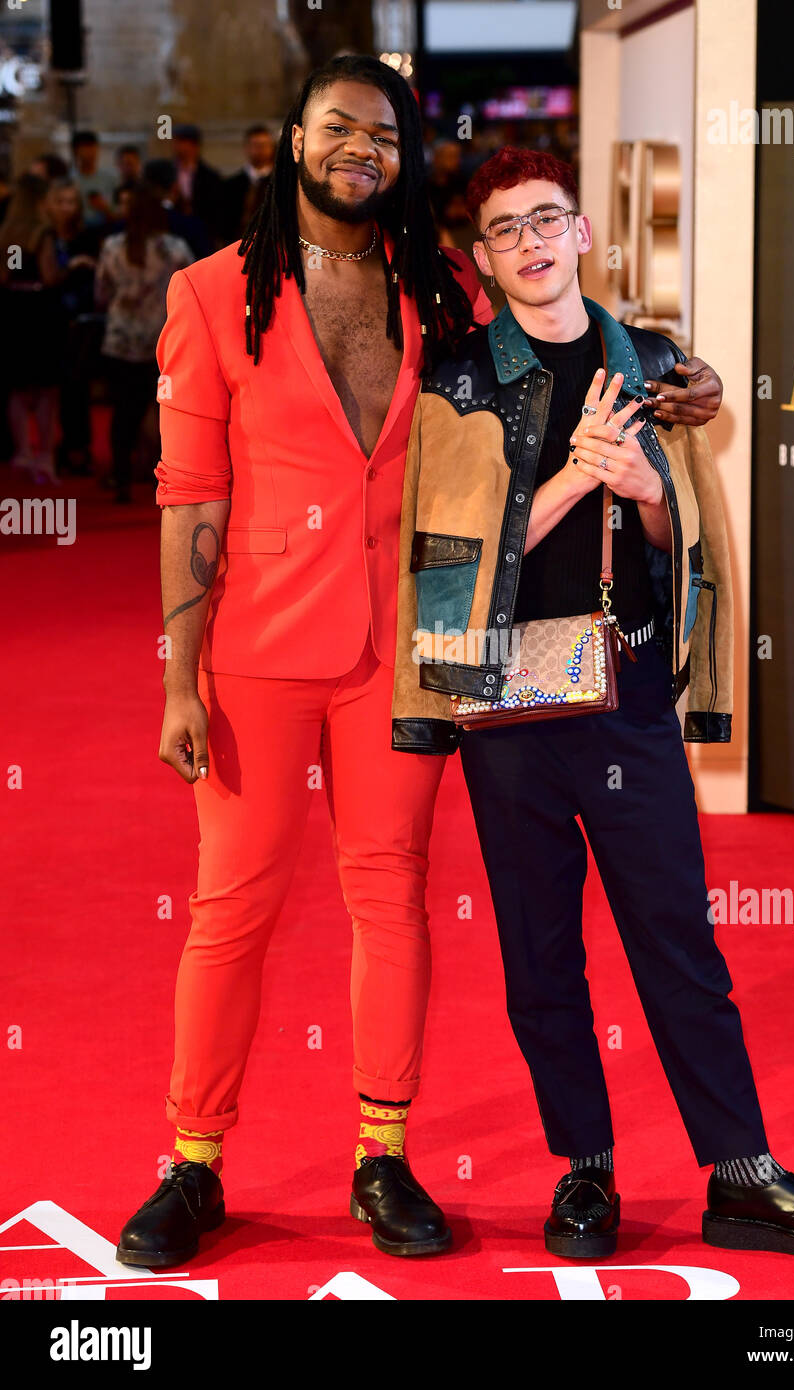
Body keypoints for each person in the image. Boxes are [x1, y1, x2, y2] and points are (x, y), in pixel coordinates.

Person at [390, 147, 794, 1261]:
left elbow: (689, 541)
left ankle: (740, 1170)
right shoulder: (458, 377)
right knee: (537, 955)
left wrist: (647, 490)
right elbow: (440, 571)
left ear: (580, 234)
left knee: (676, 938)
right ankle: (585, 1171)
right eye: (503, 230)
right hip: (509, 712)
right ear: (481, 257)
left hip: (624, 708)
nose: (527, 243)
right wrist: (571, 477)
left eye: (544, 220)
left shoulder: (651, 362)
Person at [113, 55, 492, 1271]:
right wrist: (180, 674)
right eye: (337, 128)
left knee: (392, 894)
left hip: (405, 646)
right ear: (291, 141)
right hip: (258, 649)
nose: (359, 151)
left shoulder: (442, 292)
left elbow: (533, 397)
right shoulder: (212, 294)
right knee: (233, 907)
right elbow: (189, 498)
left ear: (402, 156)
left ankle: (382, 1152)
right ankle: (194, 1160)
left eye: (381, 136)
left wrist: (656, 378)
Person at [94, 183, 193, 503]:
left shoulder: (111, 247)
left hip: (120, 341)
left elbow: (101, 294)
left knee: (123, 412)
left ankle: (121, 476)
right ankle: (161, 475)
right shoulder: (174, 248)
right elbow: (193, 290)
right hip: (163, 340)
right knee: (164, 411)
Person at [0, 173, 64, 484]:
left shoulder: (6, 232)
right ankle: (45, 457)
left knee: (17, 387)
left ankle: (23, 450)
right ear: (40, 200)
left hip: (12, 310)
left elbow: (4, 276)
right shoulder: (43, 232)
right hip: (40, 311)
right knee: (46, 390)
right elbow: (50, 275)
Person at [46, 178, 101, 477]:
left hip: (80, 320)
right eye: (61, 201)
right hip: (48, 318)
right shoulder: (42, 237)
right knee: (46, 389)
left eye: (72, 202)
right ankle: (43, 449)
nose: (67, 208)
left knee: (76, 385)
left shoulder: (88, 237)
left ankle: (78, 446)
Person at [171, 123, 225, 250]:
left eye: (182, 142)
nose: (177, 147)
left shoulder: (210, 177)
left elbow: (216, 210)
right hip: (174, 234)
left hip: (201, 237)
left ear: (194, 146)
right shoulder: (168, 173)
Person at [221, 124, 277, 244]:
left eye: (264, 145)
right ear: (246, 148)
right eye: (256, 145)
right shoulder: (231, 185)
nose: (260, 149)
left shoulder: (280, 183)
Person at [70, 130, 118, 230]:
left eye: (93, 147)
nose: (90, 153)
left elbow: (118, 212)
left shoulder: (111, 178)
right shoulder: (70, 180)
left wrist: (104, 207)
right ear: (75, 151)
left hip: (106, 229)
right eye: (85, 148)